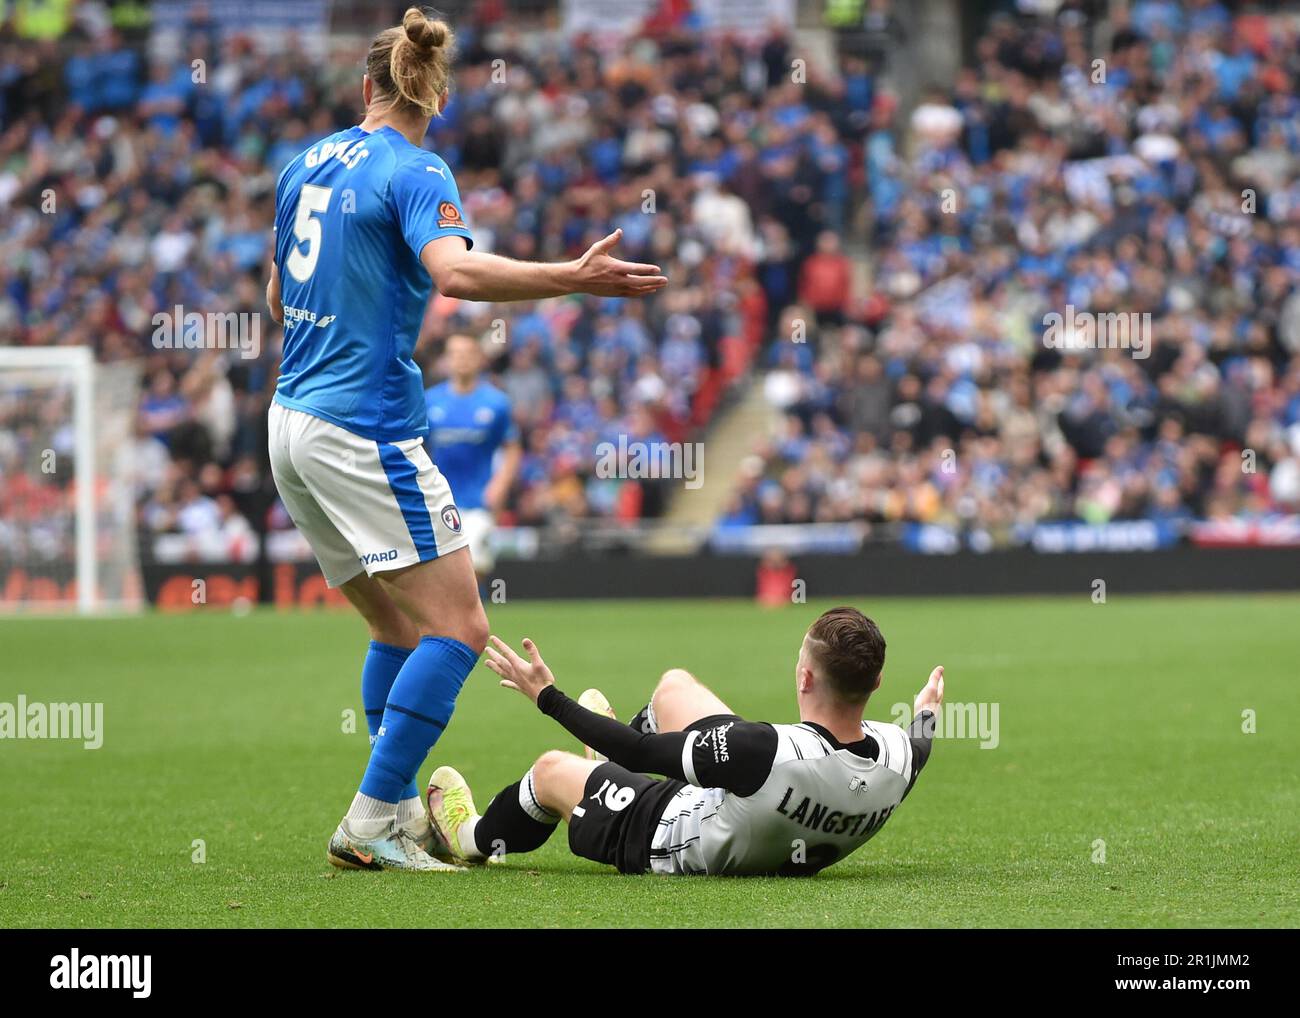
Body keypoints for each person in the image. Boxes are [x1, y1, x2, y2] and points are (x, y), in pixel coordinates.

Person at [264, 7, 668, 872]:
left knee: (394, 626)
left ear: (367, 86)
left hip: (288, 422)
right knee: (459, 627)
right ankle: (371, 818)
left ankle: (400, 811)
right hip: (360, 424)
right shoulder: (417, 169)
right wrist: (573, 277)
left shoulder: (303, 162)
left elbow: (274, 300)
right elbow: (453, 272)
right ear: (434, 94)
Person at [424, 607, 943, 876]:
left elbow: (641, 754)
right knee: (675, 688)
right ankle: (603, 768)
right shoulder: (896, 755)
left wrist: (547, 696)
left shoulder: (763, 750)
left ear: (805, 679)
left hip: (674, 838)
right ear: (876, 684)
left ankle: (468, 838)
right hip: (754, 804)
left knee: (550, 771)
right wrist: (926, 712)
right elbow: (921, 741)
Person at [424, 334, 521, 579]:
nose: (462, 360)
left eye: (468, 354)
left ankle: (468, 616)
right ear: (447, 359)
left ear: (479, 359)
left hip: (479, 500)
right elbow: (417, 447)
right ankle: (455, 617)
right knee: (441, 570)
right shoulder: (429, 401)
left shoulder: (496, 403)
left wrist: (500, 485)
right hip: (438, 500)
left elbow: (512, 447)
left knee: (474, 566)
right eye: (455, 354)